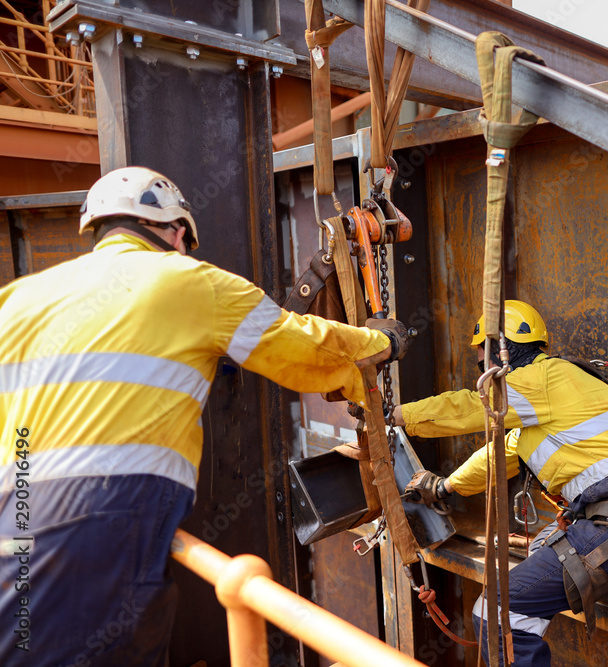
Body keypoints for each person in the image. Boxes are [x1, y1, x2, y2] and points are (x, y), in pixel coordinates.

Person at [0, 167, 412, 666]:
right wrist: (381, 343)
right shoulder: (190, 281)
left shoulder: (19, 300)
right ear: (175, 233)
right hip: (105, 515)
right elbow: (303, 349)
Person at [400, 300, 608, 667]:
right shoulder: (552, 397)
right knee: (541, 550)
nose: (481, 369)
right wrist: (445, 487)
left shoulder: (543, 379)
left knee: (496, 612)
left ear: (498, 353)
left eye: (481, 358)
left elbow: (471, 407)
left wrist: (399, 415)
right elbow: (498, 456)